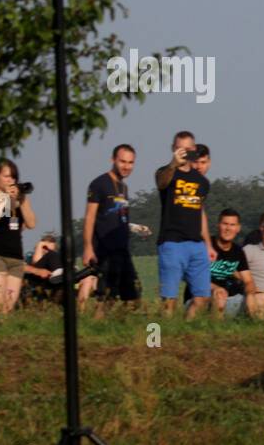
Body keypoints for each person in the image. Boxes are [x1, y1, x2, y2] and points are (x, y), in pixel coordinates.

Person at [154, 131, 213, 318]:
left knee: (202, 297)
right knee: (169, 299)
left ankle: (185, 328)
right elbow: (161, 183)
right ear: (173, 149)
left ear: (194, 150)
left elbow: (200, 211)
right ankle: (168, 333)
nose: (185, 152)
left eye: (189, 149)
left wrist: (208, 244)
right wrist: (173, 164)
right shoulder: (165, 172)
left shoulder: (202, 181)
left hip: (196, 244)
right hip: (172, 242)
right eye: (180, 148)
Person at [83, 144, 141, 307]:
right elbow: (89, 217)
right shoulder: (99, 184)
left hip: (122, 250)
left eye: (130, 163)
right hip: (105, 250)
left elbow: (120, 218)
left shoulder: (124, 187)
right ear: (113, 160)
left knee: (133, 296)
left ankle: (120, 328)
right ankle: (97, 328)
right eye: (122, 161)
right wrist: (88, 248)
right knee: (107, 297)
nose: (126, 166)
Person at [0, 159, 36, 314]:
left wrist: (21, 200)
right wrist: (4, 198)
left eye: (13, 177)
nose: (11, 180)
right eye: (6, 176)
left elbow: (31, 223)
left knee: (8, 306)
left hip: (15, 258)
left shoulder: (19, 199)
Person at [190, 209, 253, 317]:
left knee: (261, 299)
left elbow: (248, 281)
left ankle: (256, 329)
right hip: (201, 299)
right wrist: (216, 288)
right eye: (225, 224)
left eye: (232, 225)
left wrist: (251, 294)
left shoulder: (238, 252)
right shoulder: (205, 246)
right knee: (220, 294)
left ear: (238, 228)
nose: (228, 228)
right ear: (218, 225)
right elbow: (194, 277)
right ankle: (215, 331)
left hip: (230, 300)